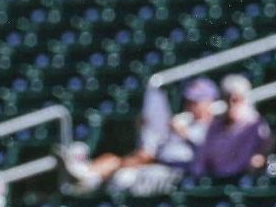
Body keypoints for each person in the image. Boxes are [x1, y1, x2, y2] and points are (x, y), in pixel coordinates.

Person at [61, 77, 217, 195]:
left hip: (177, 173)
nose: (190, 105)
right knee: (114, 161)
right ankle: (86, 174)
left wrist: (183, 133)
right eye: (189, 100)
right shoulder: (185, 121)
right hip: (158, 163)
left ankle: (88, 177)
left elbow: (209, 155)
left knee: (122, 174)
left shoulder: (215, 128)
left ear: (210, 102)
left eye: (196, 101)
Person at [190, 74, 271, 179]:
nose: (231, 104)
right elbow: (203, 160)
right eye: (227, 99)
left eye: (236, 99)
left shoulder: (256, 127)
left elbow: (242, 162)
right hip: (214, 180)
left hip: (238, 181)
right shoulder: (215, 127)